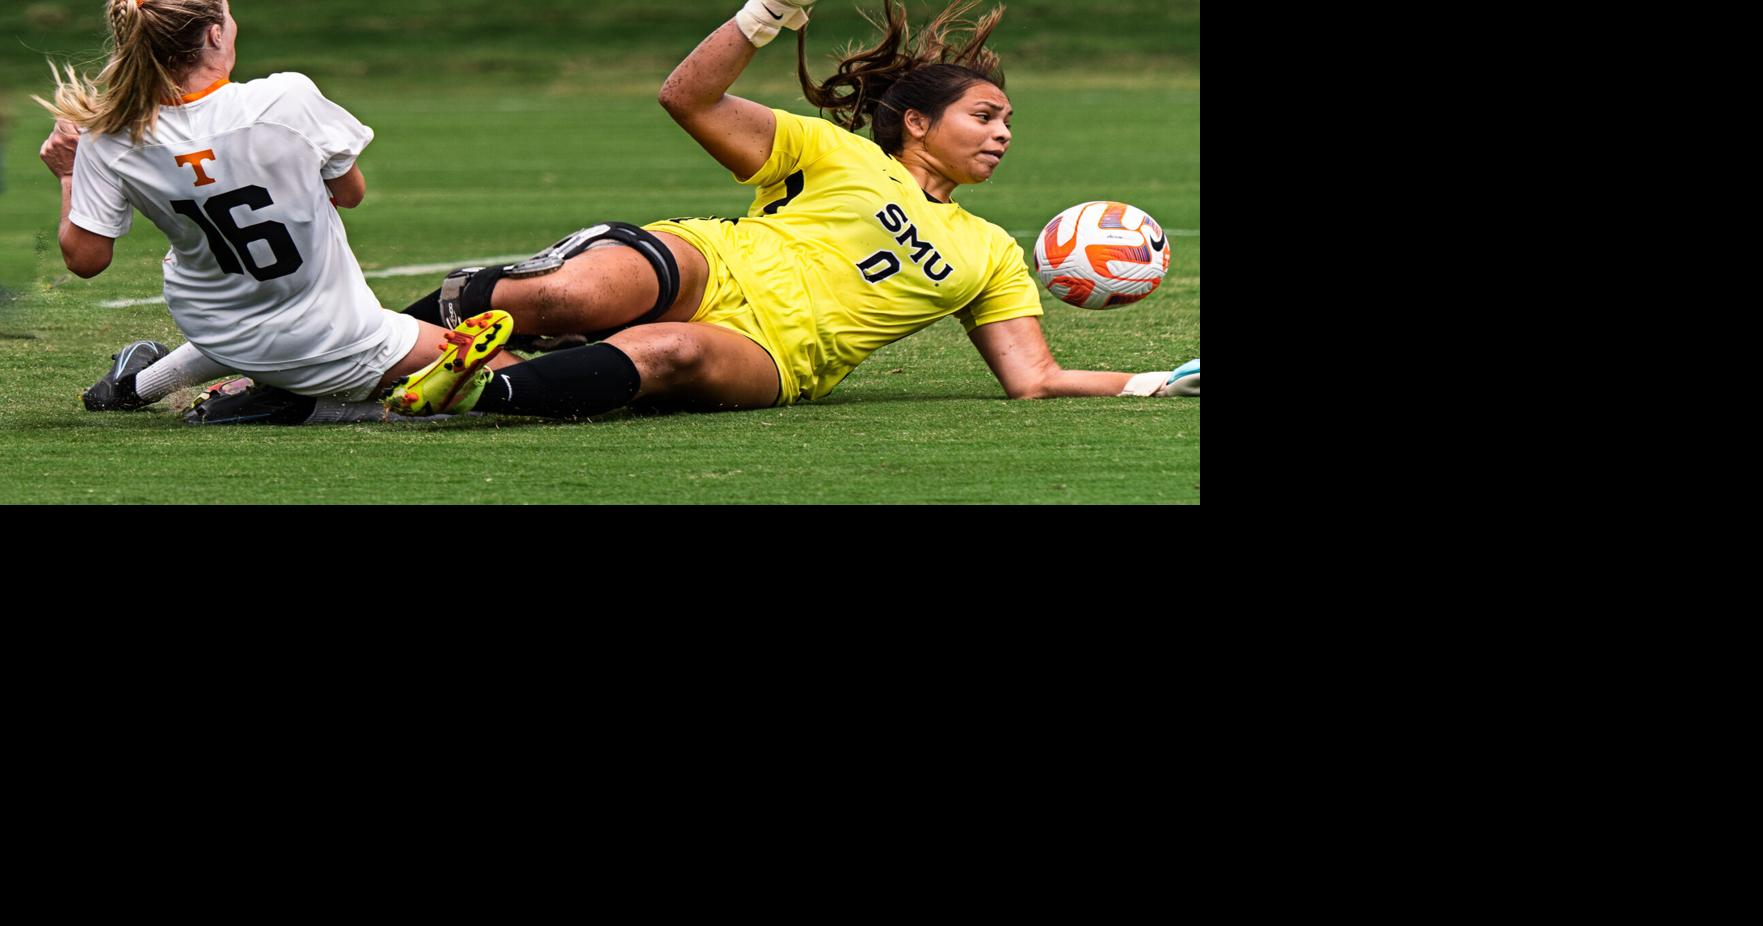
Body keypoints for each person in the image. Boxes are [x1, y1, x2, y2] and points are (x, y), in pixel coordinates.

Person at [375, 0, 1196, 421]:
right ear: (916, 122)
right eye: (985, 117)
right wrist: (767, 14)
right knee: (571, 297)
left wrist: (1160, 381)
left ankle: (475, 392)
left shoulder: (989, 253)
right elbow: (688, 97)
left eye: (1008, 124)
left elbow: (1035, 380)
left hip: (772, 352)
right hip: (715, 262)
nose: (1002, 135)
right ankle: (364, 336)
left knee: (663, 351)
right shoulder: (836, 154)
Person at [39, 0, 518, 425]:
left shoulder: (108, 137)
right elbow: (350, 194)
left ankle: (130, 387)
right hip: (336, 340)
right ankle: (302, 406)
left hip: (215, 326)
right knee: (525, 383)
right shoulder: (285, 98)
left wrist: (68, 175)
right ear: (214, 34)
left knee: (258, 325)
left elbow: (86, 260)